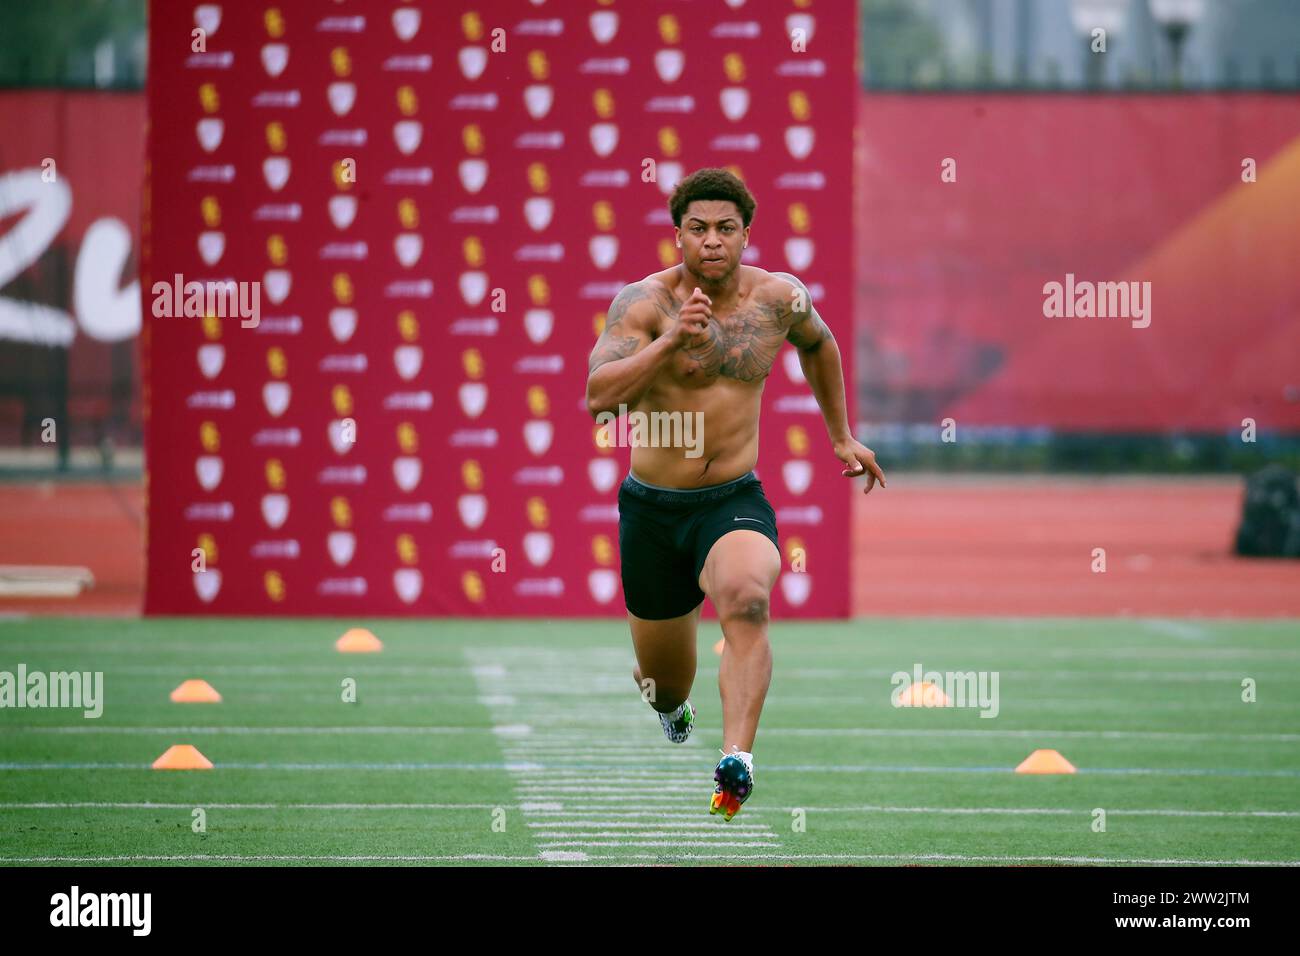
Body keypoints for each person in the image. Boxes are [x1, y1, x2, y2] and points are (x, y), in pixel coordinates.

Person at [584, 168, 885, 820]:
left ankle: (737, 761)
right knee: (664, 686)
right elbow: (599, 398)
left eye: (725, 228)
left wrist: (841, 436)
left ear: (746, 234)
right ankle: (672, 710)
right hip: (653, 511)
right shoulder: (642, 304)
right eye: (698, 229)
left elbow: (821, 344)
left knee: (748, 598)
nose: (712, 241)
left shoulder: (778, 299)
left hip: (730, 499)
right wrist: (668, 343)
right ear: (678, 236)